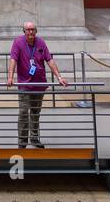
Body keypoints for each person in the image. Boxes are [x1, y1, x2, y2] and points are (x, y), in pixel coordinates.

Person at [6, 21, 67, 149]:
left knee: (35, 112)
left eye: (33, 29)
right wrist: (10, 76)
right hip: (24, 85)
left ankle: (34, 138)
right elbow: (13, 60)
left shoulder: (41, 43)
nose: (30, 32)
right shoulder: (18, 43)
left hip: (39, 85)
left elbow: (49, 60)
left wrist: (59, 77)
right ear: (24, 31)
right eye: (28, 30)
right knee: (23, 112)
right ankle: (22, 142)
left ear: (36, 31)